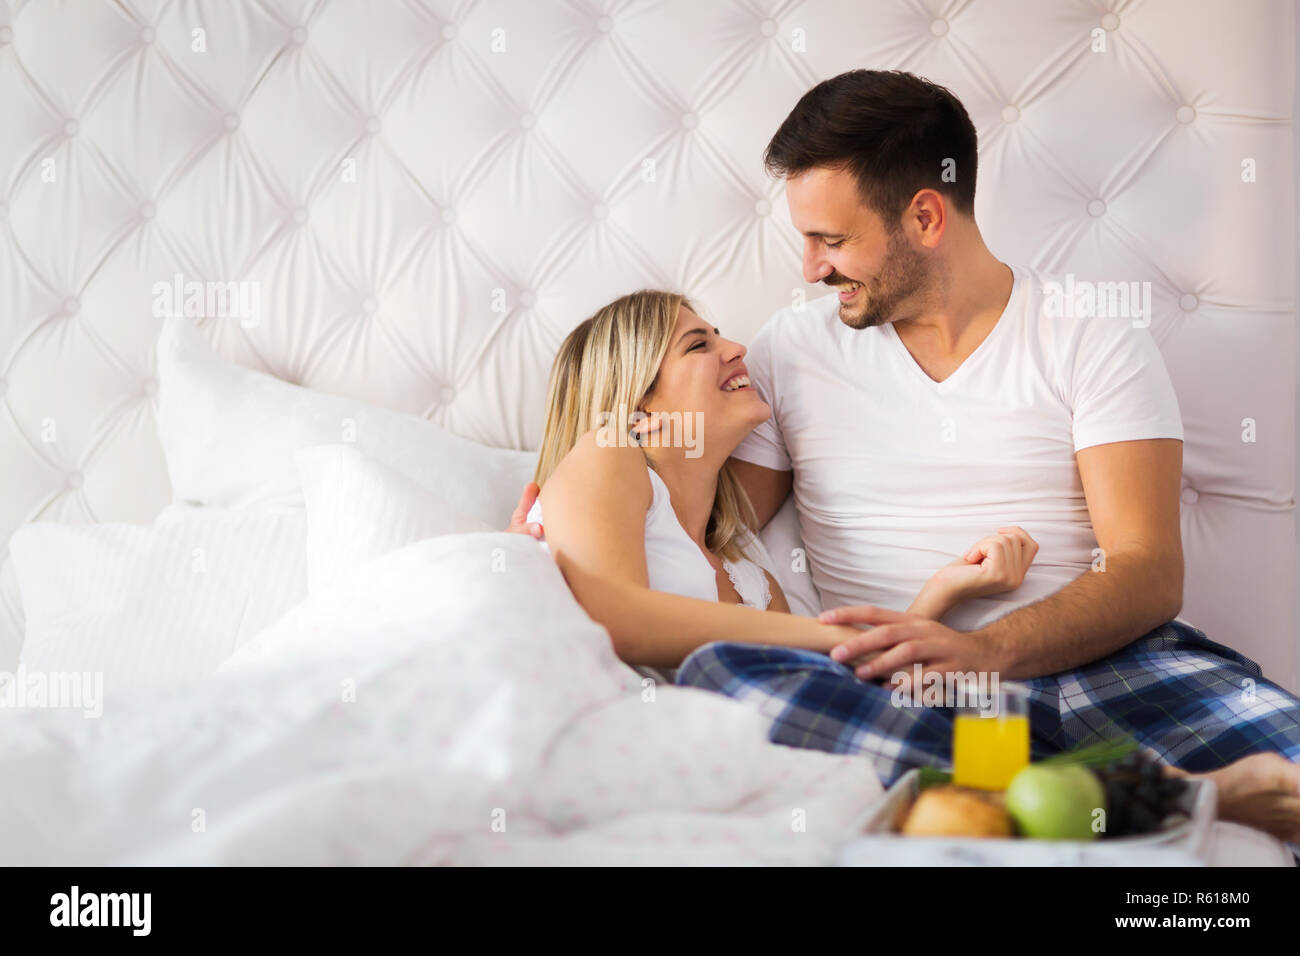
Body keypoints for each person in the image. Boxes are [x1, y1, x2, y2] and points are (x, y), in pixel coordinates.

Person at [509, 69, 1300, 844]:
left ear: (925, 217)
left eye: (833, 239)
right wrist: (559, 530)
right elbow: (701, 523)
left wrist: (985, 647)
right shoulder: (790, 354)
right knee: (736, 680)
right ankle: (1145, 800)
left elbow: (1147, 570)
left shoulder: (1092, 341)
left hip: (1113, 666)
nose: (812, 268)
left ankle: (1100, 794)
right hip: (911, 695)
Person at [520, 288, 1037, 689]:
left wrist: (942, 590)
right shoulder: (607, 450)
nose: (736, 348)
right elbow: (619, 620)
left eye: (718, 334)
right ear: (640, 410)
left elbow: (834, 680)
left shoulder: (747, 568)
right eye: (699, 344)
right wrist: (830, 635)